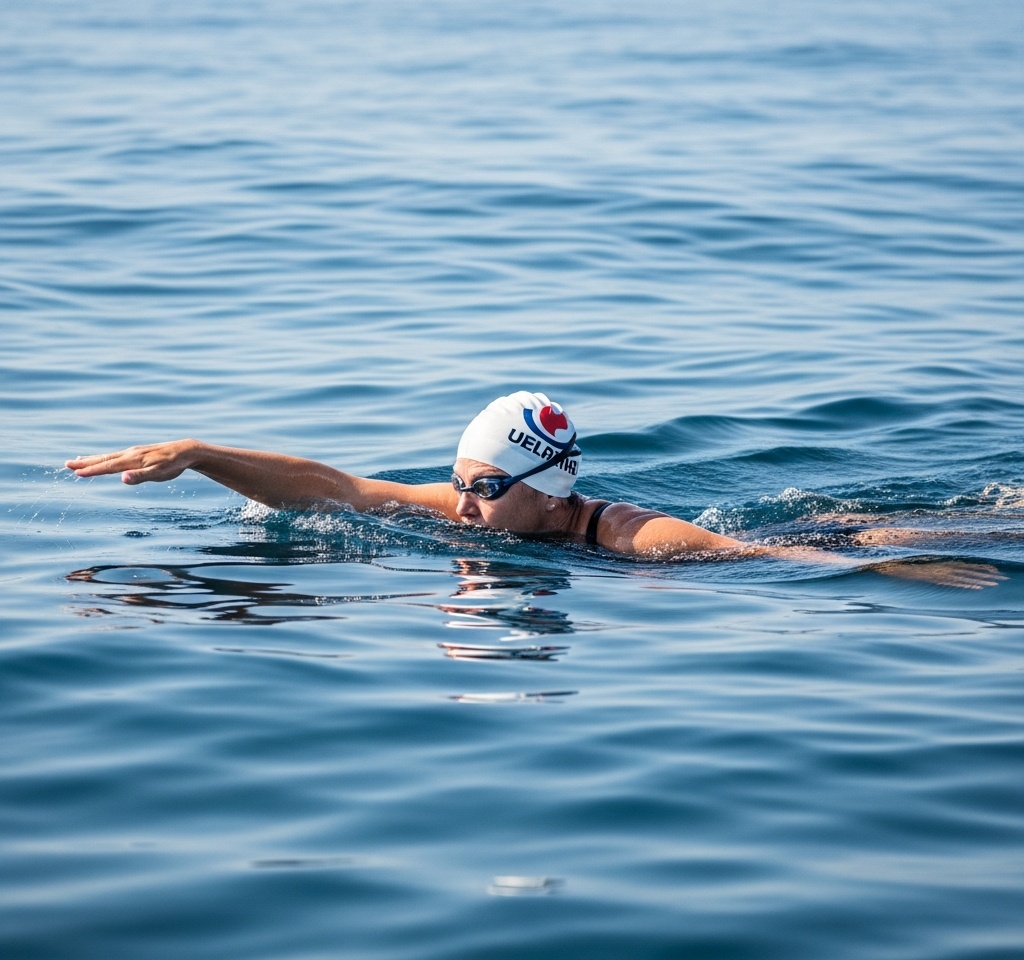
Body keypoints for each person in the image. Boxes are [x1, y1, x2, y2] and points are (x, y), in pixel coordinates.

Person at [65, 390, 1004, 584]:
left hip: (829, 539)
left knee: (865, 537)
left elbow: (771, 557)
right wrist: (197, 449)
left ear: (551, 492)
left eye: (485, 488)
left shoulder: (637, 542)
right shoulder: (470, 508)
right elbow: (335, 487)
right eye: (460, 480)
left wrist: (921, 570)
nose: (464, 505)